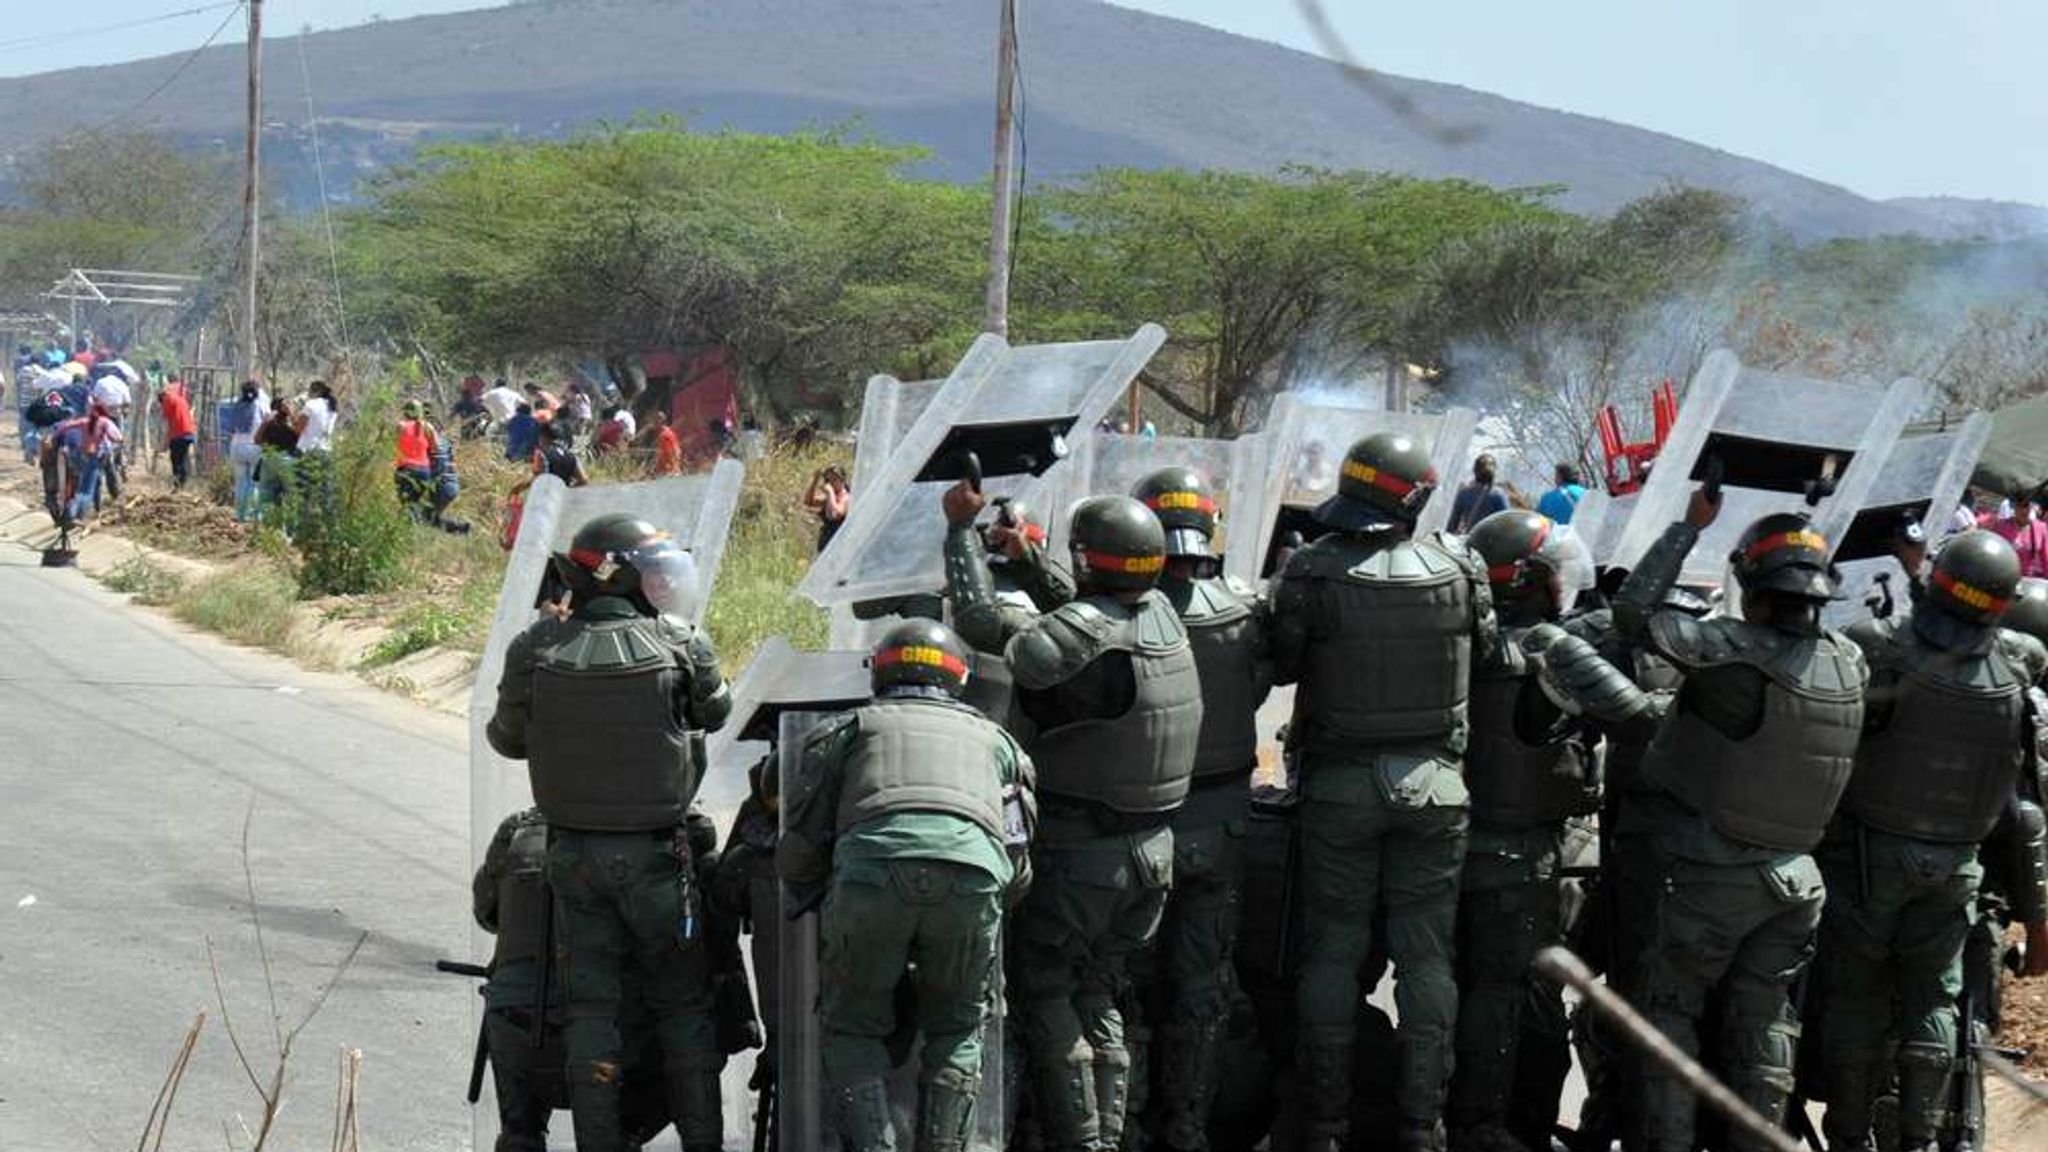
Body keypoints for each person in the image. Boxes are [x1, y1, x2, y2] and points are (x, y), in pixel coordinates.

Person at [1569, 497, 1867, 1152]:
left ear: (1754, 585)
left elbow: (1633, 615)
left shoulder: (1734, 654)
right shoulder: (1849, 661)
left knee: (1668, 1018)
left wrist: (1691, 525)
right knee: (1764, 1024)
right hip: (1796, 881)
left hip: (1712, 875)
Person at [942, 488, 1203, 1152]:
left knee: (1045, 990)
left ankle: (1081, 1141)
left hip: (1084, 856)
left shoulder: (1087, 638)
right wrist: (1028, 558)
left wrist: (959, 533)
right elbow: (1087, 617)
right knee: (1101, 994)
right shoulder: (1166, 620)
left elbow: (977, 618)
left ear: (1089, 560)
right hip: (1153, 853)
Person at [1267, 431, 1503, 1152]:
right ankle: (1419, 1126)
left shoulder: (1311, 570)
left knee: (1333, 954)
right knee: (1427, 960)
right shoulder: (1462, 566)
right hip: (1435, 790)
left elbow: (1279, 667)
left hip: (1339, 790)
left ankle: (1327, 1127)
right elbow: (1489, 655)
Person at [487, 513, 730, 1152]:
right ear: (619, 575)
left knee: (591, 1013)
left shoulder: (537, 647)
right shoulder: (681, 643)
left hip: (576, 860)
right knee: (684, 1007)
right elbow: (718, 711)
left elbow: (507, 739)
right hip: (660, 857)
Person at [1814, 530, 2048, 1152]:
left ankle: (1848, 1134)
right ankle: (1920, 1138)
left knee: (1857, 997)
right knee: (1935, 1000)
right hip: (1957, 866)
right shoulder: (2022, 660)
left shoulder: (1877, 645)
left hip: (1869, 858)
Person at [777, 619, 1038, 1152]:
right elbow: (1017, 854)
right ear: (959, 678)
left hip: (871, 878)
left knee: (853, 1027)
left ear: (880, 673)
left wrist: (813, 891)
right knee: (959, 1027)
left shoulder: (847, 729)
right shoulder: (999, 743)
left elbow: (801, 842)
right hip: (972, 881)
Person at [1125, 466, 1271, 1152]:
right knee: (1203, 983)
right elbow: (1268, 678)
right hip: (1222, 820)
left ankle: (1127, 1124)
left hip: (1140, 825)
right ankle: (1187, 1126)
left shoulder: (1121, 615)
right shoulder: (1244, 610)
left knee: (1124, 983)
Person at [1448, 510, 1597, 1152]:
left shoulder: (1451, 646)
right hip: (1519, 855)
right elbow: (1631, 710)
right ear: (1527, 582)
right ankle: (1494, 1125)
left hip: (1447, 847)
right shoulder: (1549, 656)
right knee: (1506, 996)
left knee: (1452, 987)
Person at [226, 381, 268, 522]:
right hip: (255, 447)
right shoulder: (261, 405)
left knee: (240, 483)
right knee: (254, 483)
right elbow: (268, 422)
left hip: (237, 447)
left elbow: (230, 429)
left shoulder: (237, 406)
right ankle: (251, 515)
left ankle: (240, 514)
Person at [1985, 488, 2048, 579]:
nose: (2024, 510)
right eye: (2020, 506)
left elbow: (2046, 560)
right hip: (1999, 576)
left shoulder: (2041, 528)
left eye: (2027, 506)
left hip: (2024, 581)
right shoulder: (2000, 526)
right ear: (2013, 507)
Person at [394, 400, 441, 519]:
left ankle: (410, 530)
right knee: (413, 503)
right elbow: (436, 448)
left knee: (406, 504)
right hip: (424, 472)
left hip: (406, 470)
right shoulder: (428, 426)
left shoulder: (401, 426)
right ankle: (416, 527)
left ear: (405, 412)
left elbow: (392, 445)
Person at [255, 397, 300, 518]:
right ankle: (290, 533)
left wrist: (269, 448)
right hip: (288, 461)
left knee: (266, 497)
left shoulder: (269, 423)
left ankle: (267, 529)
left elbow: (257, 439)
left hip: (269, 459)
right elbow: (301, 439)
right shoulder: (292, 424)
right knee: (292, 498)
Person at [1448, 453, 1509, 534]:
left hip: (1469, 539)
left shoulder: (1464, 494)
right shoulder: (1498, 496)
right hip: (1489, 543)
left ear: (1474, 471)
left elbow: (1452, 525)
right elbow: (1506, 526)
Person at [159, 378, 197, 491]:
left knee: (176, 459)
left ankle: (178, 486)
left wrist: (165, 443)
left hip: (178, 434)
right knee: (183, 457)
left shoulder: (167, 399)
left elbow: (167, 423)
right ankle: (183, 485)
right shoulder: (180, 399)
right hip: (189, 433)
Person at [803, 465, 851, 553]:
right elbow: (809, 501)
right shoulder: (831, 497)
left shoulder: (846, 498)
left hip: (840, 545)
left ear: (842, 480)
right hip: (826, 544)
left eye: (834, 479)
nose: (831, 483)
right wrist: (815, 481)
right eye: (828, 480)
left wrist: (830, 492)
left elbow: (835, 514)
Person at [533, 421, 588, 488]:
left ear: (543, 435)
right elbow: (584, 480)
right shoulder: (570, 455)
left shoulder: (541, 454)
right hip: (565, 496)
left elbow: (540, 481)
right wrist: (568, 489)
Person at [295, 381, 338, 455]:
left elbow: (298, 428)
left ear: (316, 392)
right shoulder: (332, 408)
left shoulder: (310, 404)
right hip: (325, 448)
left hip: (308, 448)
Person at [651, 410, 682, 477]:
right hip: (665, 471)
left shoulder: (667, 434)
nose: (655, 423)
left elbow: (676, 451)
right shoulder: (662, 434)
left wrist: (674, 468)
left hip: (671, 472)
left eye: (656, 420)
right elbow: (661, 452)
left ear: (661, 421)